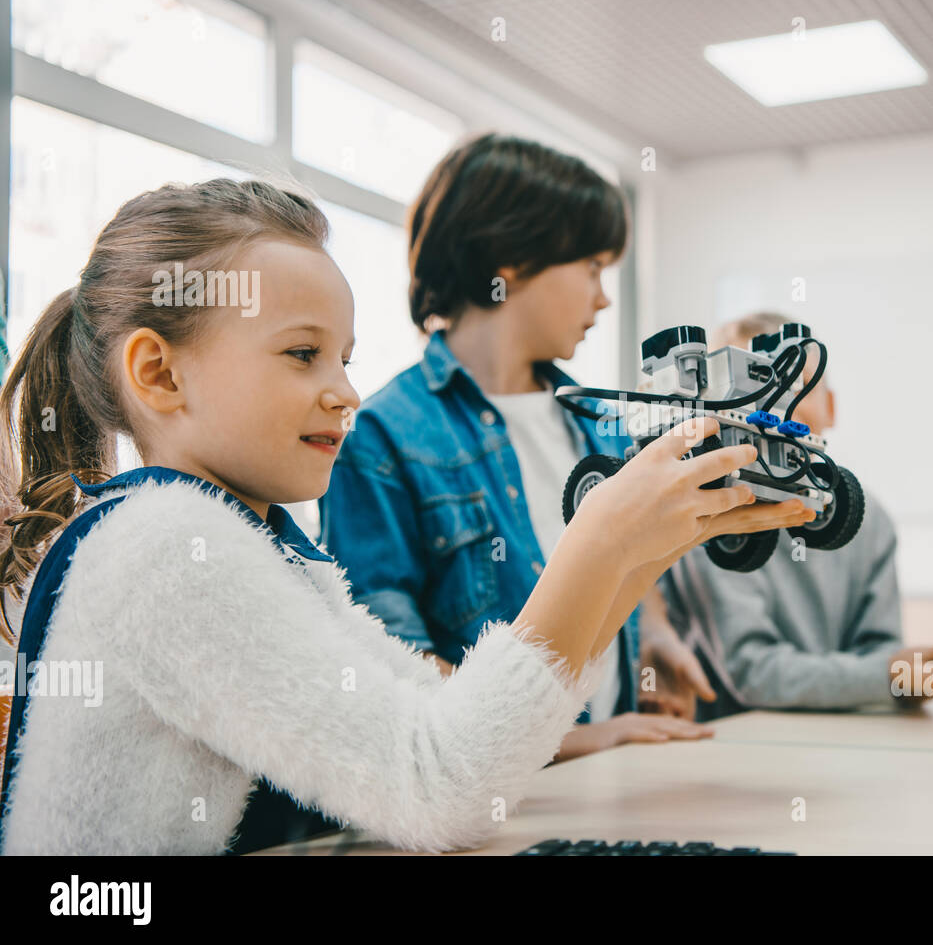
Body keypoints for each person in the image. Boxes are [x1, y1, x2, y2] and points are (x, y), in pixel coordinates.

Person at [0, 179, 813, 854]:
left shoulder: (245, 543)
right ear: (160, 373)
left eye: (345, 359)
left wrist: (637, 557)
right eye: (301, 353)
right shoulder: (166, 551)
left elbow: (427, 714)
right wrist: (600, 542)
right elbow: (436, 785)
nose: (346, 391)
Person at [320, 133, 721, 760]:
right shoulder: (382, 437)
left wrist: (656, 639)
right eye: (591, 267)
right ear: (509, 259)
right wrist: (577, 740)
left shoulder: (599, 422)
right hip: (496, 811)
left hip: (612, 781)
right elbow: (398, 676)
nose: (603, 295)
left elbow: (629, 562)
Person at [659, 311, 933, 720]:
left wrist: (894, 673)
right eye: (753, 386)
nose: (778, 407)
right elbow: (751, 671)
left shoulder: (870, 521)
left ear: (831, 407)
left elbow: (879, 652)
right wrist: (886, 676)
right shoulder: (708, 514)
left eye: (797, 387)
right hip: (733, 745)